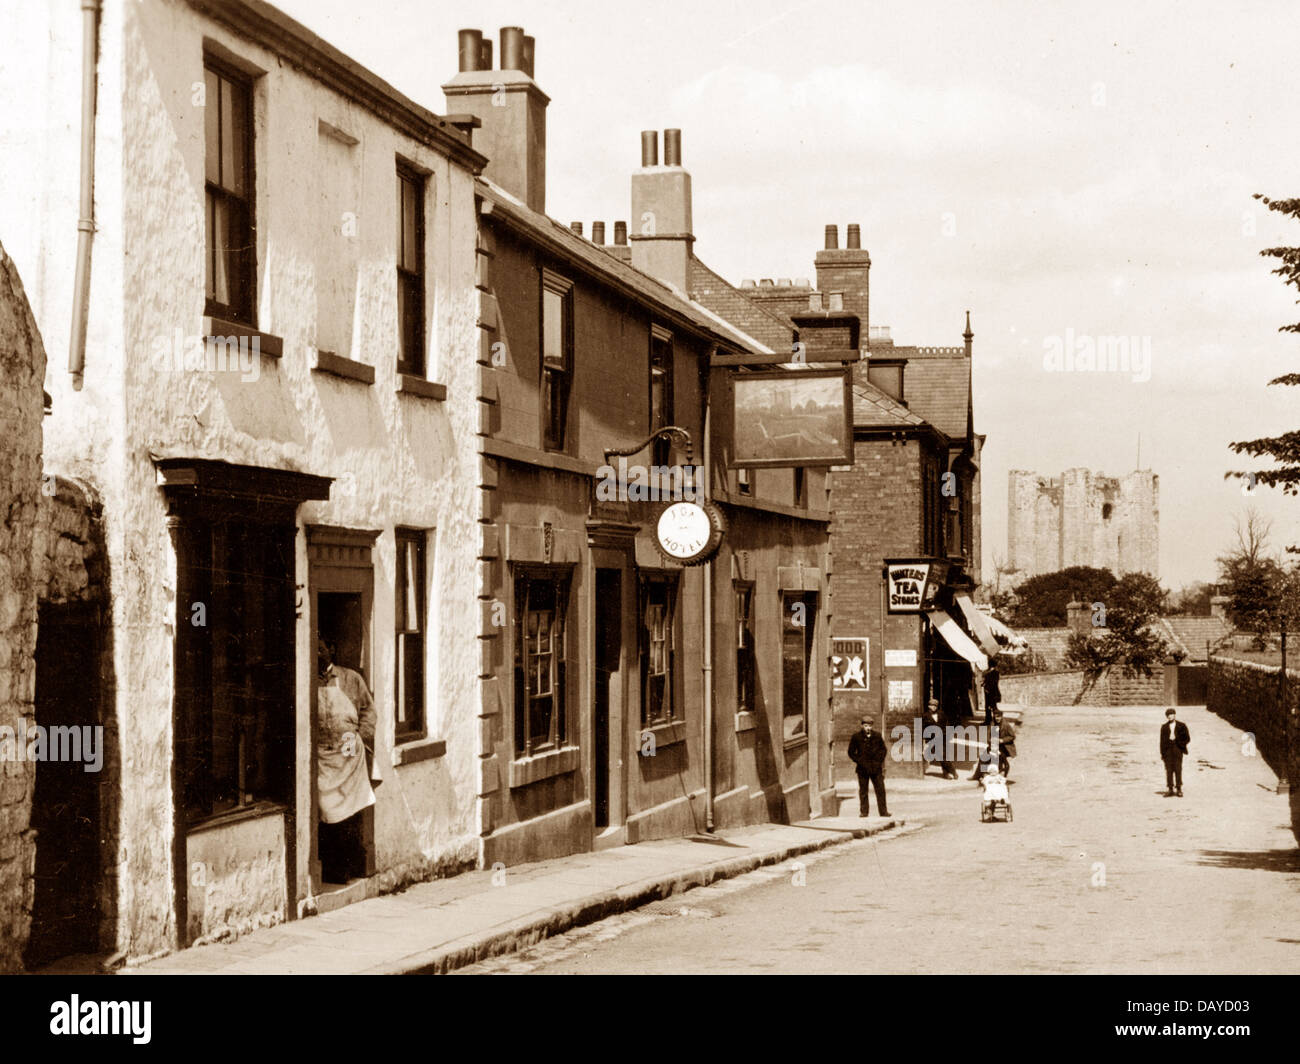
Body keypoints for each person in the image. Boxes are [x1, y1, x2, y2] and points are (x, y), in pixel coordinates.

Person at [316, 639, 380, 883]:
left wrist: (360, 739)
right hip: (322, 757)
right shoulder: (307, 681)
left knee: (349, 813)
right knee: (326, 812)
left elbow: (369, 712)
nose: (317, 653)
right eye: (313, 649)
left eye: (321, 648)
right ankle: (330, 869)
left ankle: (344, 869)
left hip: (349, 757)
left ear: (331, 649)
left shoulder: (351, 678)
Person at [848, 717, 890, 817]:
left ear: (872, 726)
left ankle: (883, 812)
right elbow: (851, 752)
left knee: (880, 790)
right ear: (862, 726)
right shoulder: (856, 737)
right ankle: (864, 812)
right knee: (863, 791)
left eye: (870, 726)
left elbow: (883, 750)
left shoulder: (877, 736)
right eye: (866, 726)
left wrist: (878, 761)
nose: (868, 728)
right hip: (862, 769)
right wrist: (859, 761)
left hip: (876, 768)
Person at [1160, 707, 1190, 797]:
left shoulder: (1182, 725)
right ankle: (1170, 789)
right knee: (1169, 769)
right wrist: (1163, 753)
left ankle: (1179, 789)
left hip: (1177, 749)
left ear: (1174, 715)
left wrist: (1180, 744)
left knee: (1178, 768)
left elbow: (1187, 738)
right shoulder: (1164, 727)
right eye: (1168, 715)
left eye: (1171, 714)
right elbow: (1162, 741)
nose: (1170, 716)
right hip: (1168, 750)